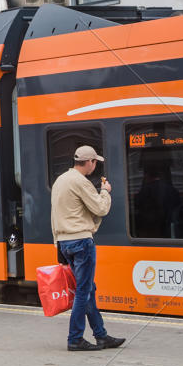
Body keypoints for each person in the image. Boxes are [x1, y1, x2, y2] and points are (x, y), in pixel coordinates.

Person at [50, 146, 125, 352]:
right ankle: (75, 339)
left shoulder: (60, 181)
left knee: (88, 289)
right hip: (81, 242)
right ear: (89, 162)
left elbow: (54, 215)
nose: (95, 166)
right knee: (83, 291)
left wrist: (58, 243)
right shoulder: (80, 182)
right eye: (95, 162)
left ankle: (101, 335)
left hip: (65, 242)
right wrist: (105, 192)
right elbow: (101, 208)